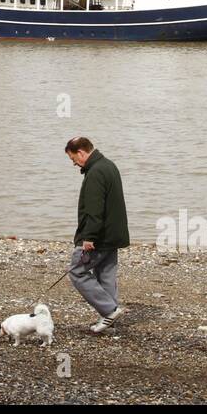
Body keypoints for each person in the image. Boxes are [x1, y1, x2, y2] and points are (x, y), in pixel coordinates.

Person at [64, 136, 130, 334]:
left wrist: (89, 237)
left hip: (99, 237)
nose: (74, 163)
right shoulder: (109, 166)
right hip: (112, 235)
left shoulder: (95, 172)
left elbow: (94, 209)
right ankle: (109, 318)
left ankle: (109, 311)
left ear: (81, 152)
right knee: (105, 275)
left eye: (73, 158)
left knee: (77, 272)